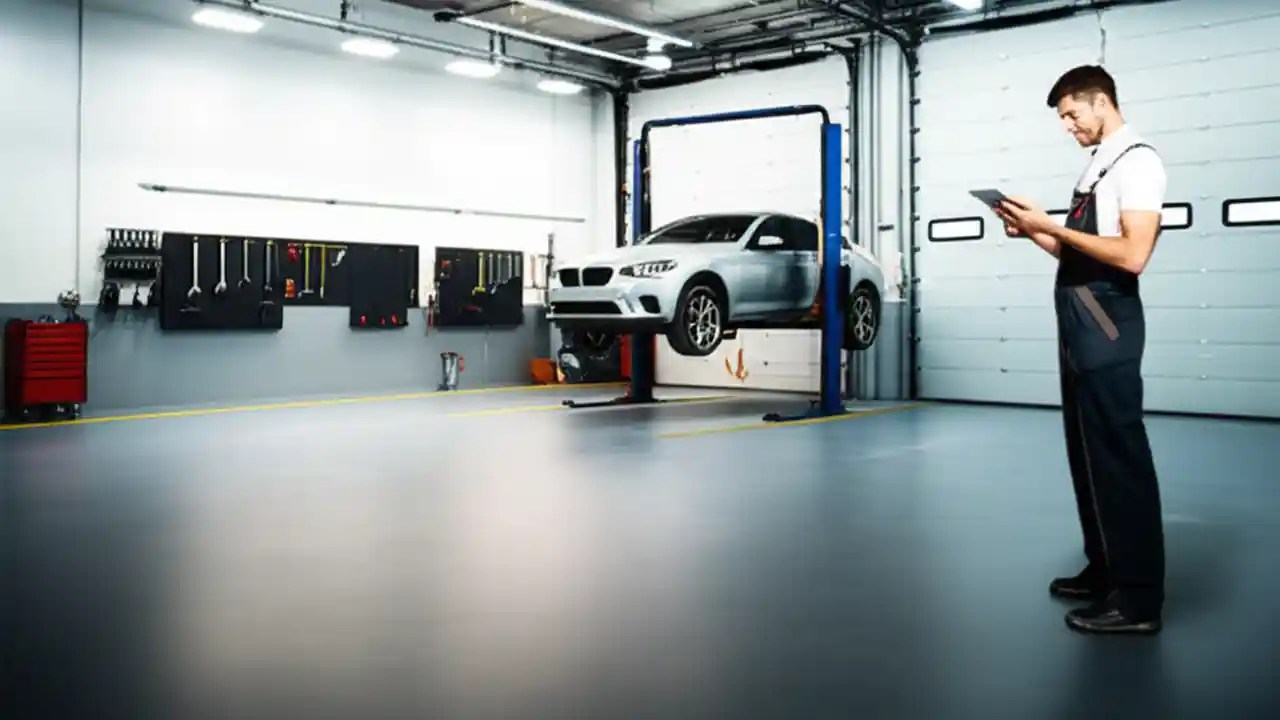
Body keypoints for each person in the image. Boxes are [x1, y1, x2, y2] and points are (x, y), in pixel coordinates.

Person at [994, 65, 1166, 635]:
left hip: (1108, 323)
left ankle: (1138, 600)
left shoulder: (1138, 161)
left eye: (1071, 114)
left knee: (1118, 457)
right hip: (1079, 320)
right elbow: (1079, 254)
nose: (1067, 125)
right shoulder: (1099, 164)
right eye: (1063, 117)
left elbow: (1133, 254)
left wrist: (1055, 225)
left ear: (1101, 103)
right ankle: (1105, 569)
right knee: (1086, 454)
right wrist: (1033, 230)